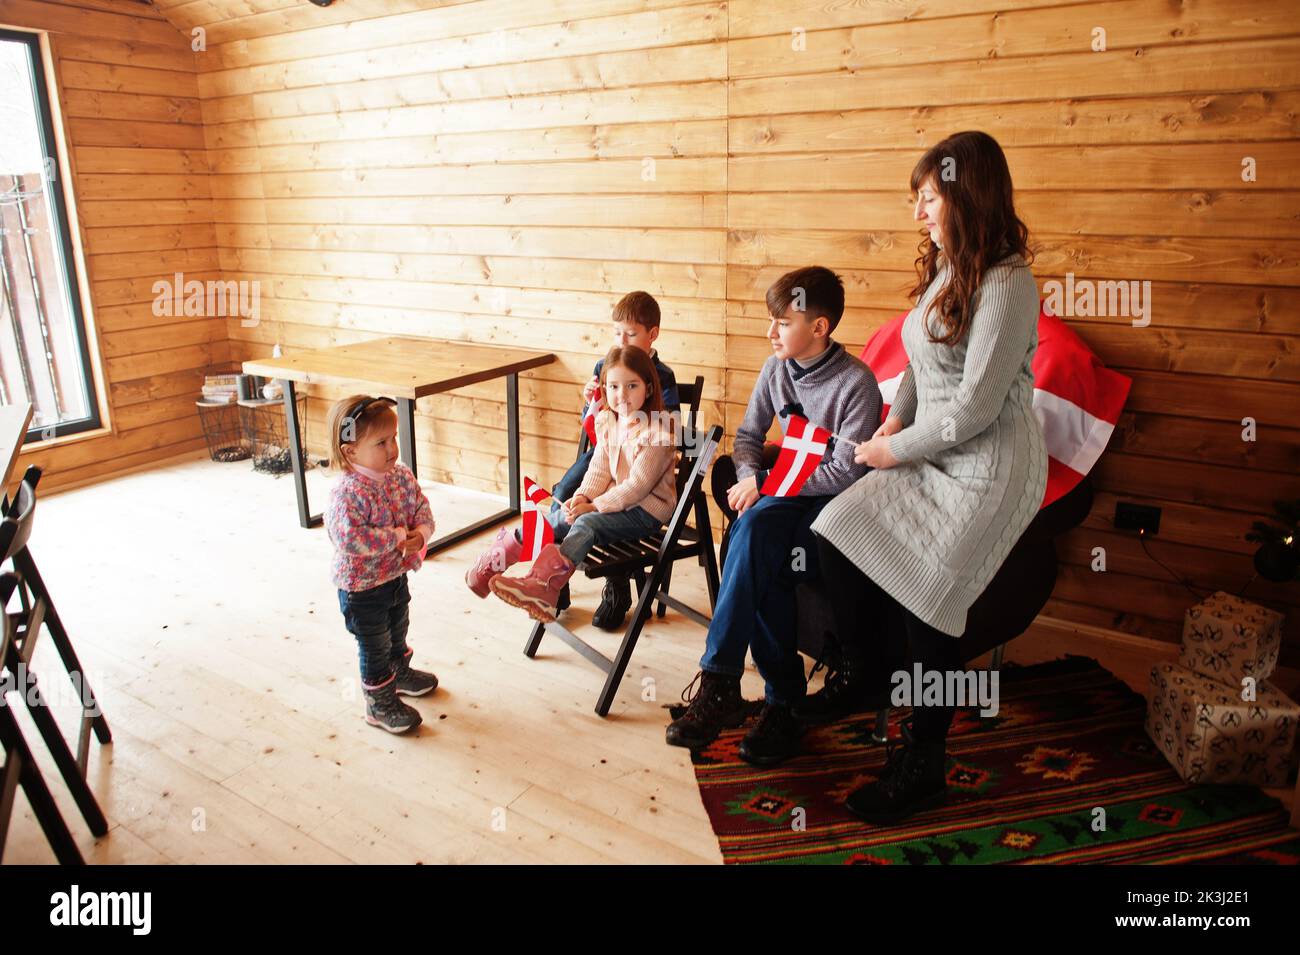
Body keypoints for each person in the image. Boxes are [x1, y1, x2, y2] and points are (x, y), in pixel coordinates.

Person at [810, 130, 1048, 823]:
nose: (918, 212)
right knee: (834, 529)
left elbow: (975, 406)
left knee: (932, 602)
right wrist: (892, 422)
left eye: (928, 198)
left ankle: (925, 760)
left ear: (964, 195)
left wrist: (894, 451)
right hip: (926, 443)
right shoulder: (947, 268)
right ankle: (866, 673)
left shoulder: (1009, 283)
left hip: (990, 463)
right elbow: (919, 362)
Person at [665, 266, 880, 766]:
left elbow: (845, 473)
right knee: (756, 542)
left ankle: (723, 684)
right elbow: (746, 438)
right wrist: (747, 476)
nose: (770, 332)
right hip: (781, 495)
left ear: (819, 327)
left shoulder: (857, 384)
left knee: (752, 534)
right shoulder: (774, 369)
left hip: (831, 507)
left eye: (782, 323)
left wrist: (762, 485)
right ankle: (780, 704)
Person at [477, 345, 678, 624]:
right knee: (559, 517)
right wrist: (582, 497)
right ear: (605, 390)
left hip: (646, 513)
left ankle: (544, 586)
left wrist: (594, 506)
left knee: (587, 524)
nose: (622, 395)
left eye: (632, 386)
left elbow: (637, 487)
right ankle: (494, 561)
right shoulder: (609, 422)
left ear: (649, 388)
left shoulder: (658, 433)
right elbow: (598, 469)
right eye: (614, 387)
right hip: (617, 503)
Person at [326, 395, 439, 734]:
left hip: (394, 577)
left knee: (397, 629)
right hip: (361, 589)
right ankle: (379, 702)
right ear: (350, 451)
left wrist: (420, 532)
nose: (392, 449)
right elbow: (348, 539)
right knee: (374, 645)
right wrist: (395, 537)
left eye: (394, 439)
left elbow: (421, 507)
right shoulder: (346, 493)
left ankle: (399, 672)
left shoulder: (399, 475)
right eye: (381, 442)